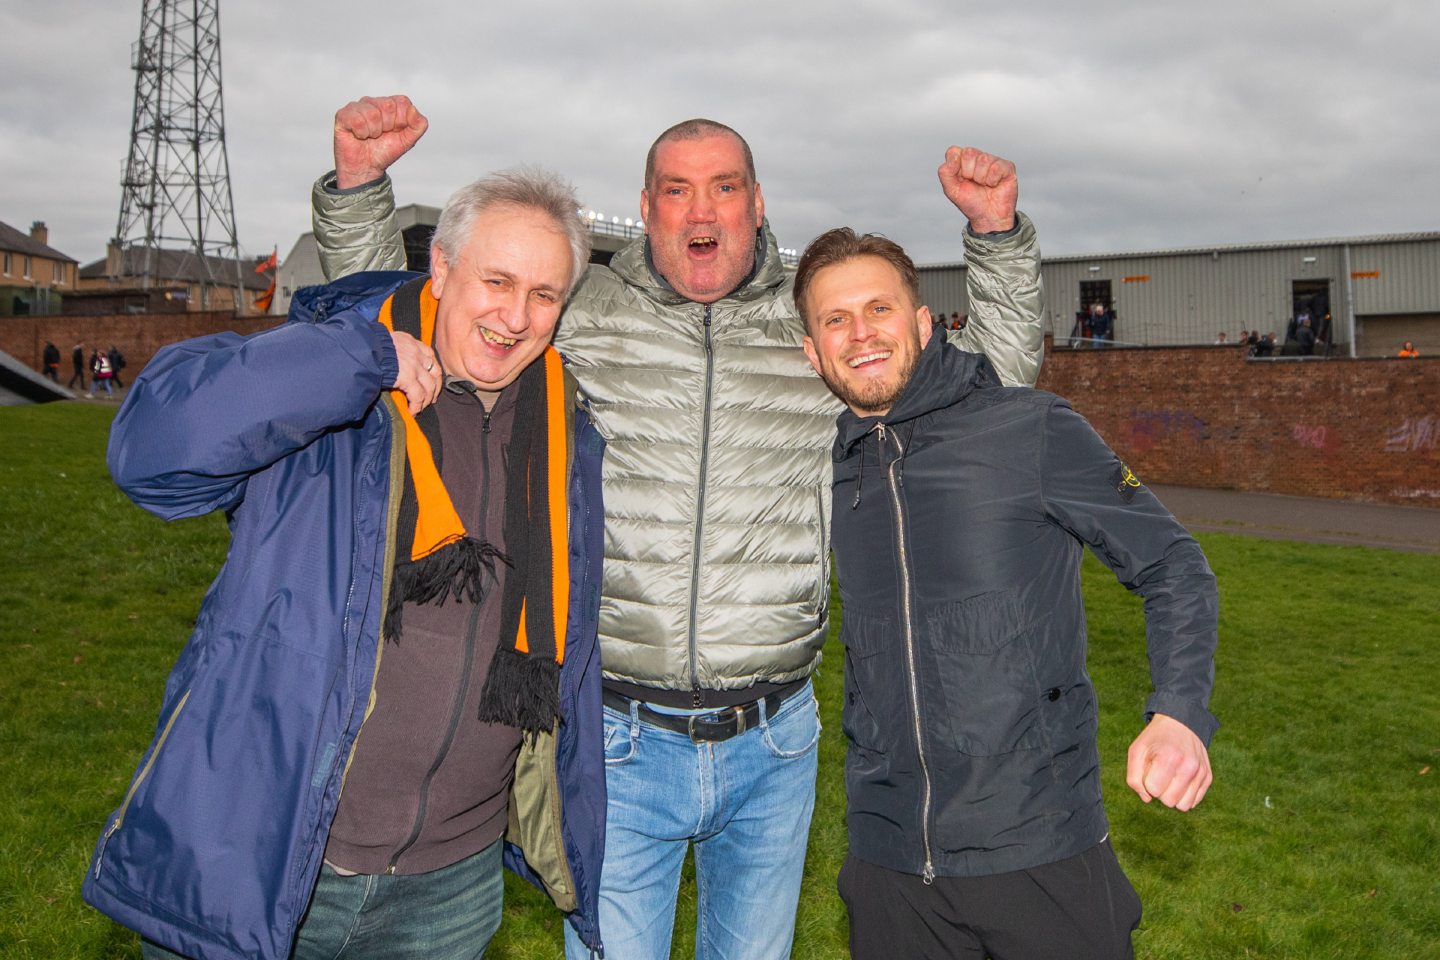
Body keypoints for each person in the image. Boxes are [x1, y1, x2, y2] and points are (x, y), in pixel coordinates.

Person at [312, 94, 1045, 960]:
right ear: (649, 206)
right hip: (618, 736)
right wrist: (360, 190)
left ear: (757, 204)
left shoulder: (816, 326)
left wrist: (996, 236)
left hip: (774, 743)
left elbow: (987, 384)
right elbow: (416, 323)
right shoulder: (583, 313)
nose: (701, 210)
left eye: (725, 188)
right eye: (675, 190)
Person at [83, 168, 609, 959]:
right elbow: (152, 454)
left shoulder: (566, 432)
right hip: (270, 854)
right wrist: (355, 359)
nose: (515, 315)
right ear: (441, 269)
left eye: (543, 294)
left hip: (449, 889)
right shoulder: (343, 384)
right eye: (496, 280)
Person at [793, 227, 1218, 960]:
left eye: (879, 309)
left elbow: (1172, 564)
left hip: (1039, 846)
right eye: (836, 319)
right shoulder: (831, 464)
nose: (861, 334)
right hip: (889, 860)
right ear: (812, 351)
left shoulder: (1031, 428)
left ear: (924, 324)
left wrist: (1179, 711)